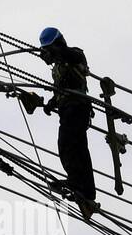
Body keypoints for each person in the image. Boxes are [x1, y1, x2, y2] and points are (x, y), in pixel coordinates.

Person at [38, 26, 99, 220]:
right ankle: (84, 191)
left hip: (78, 106)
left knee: (72, 144)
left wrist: (57, 52)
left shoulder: (75, 54)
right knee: (69, 147)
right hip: (67, 110)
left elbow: (70, 55)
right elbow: (60, 91)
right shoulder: (57, 68)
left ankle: (79, 184)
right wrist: (51, 103)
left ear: (59, 43)